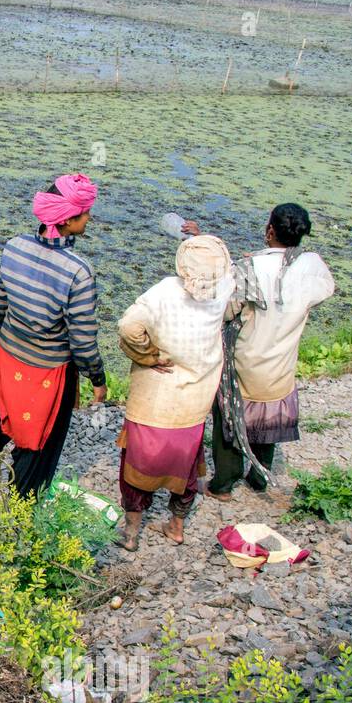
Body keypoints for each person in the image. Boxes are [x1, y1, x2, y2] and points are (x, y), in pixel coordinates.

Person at [0, 173, 108, 509]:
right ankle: (16, 510)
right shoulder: (79, 271)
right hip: (47, 373)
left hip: (6, 358)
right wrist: (97, 378)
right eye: (85, 213)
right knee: (39, 443)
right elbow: (82, 338)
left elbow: (0, 302)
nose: (89, 218)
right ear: (67, 219)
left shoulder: (15, 246)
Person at [182, 205, 335, 500]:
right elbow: (323, 288)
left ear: (269, 231)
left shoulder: (248, 269)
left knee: (228, 414)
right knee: (269, 416)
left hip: (245, 361)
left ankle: (224, 483)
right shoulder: (312, 264)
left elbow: (226, 310)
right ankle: (259, 476)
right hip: (282, 360)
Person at [116, 236, 233, 550]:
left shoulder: (166, 291)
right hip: (193, 403)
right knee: (186, 469)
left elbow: (128, 327)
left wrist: (147, 355)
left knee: (136, 467)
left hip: (153, 402)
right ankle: (176, 526)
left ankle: (130, 533)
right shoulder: (222, 292)